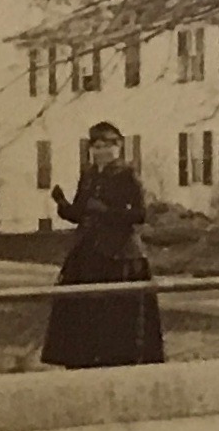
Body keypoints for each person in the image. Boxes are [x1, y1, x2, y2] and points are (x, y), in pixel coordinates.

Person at [41, 120, 164, 369]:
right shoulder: (88, 175)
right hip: (89, 253)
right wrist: (62, 204)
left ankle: (119, 357)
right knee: (83, 307)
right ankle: (84, 357)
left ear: (118, 148)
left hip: (120, 254)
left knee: (117, 311)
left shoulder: (127, 175)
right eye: (96, 146)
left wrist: (108, 212)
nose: (101, 152)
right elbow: (79, 213)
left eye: (107, 146)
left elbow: (139, 214)